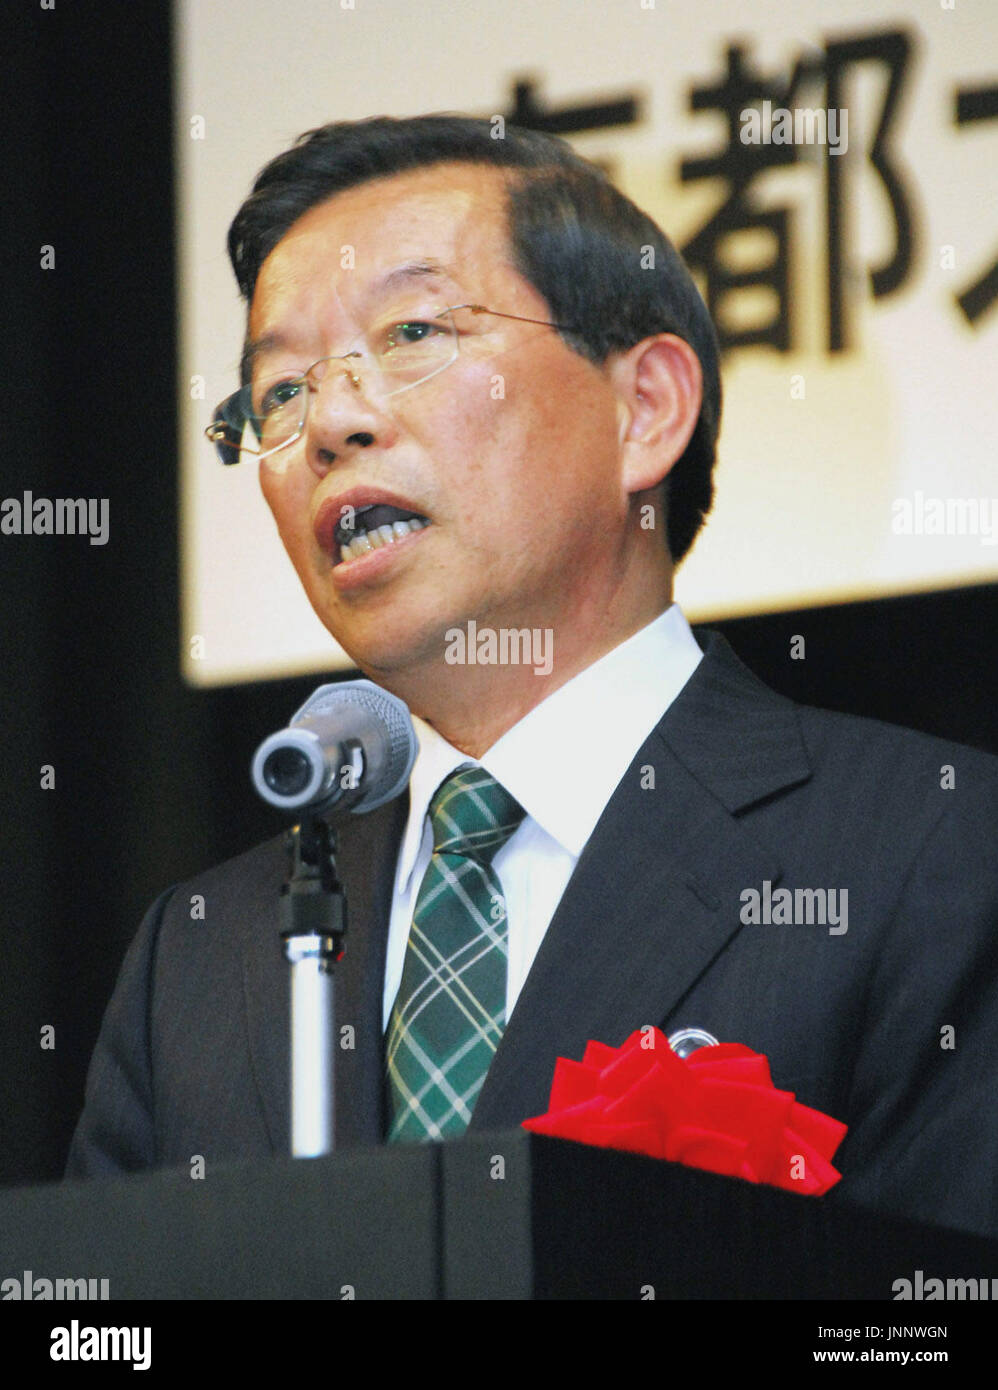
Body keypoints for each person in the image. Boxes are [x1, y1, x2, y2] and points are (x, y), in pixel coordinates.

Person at [66, 115, 998, 1239]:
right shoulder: (204, 956)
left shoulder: (928, 854)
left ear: (643, 409)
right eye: (277, 394)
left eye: (412, 330)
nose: (330, 425)